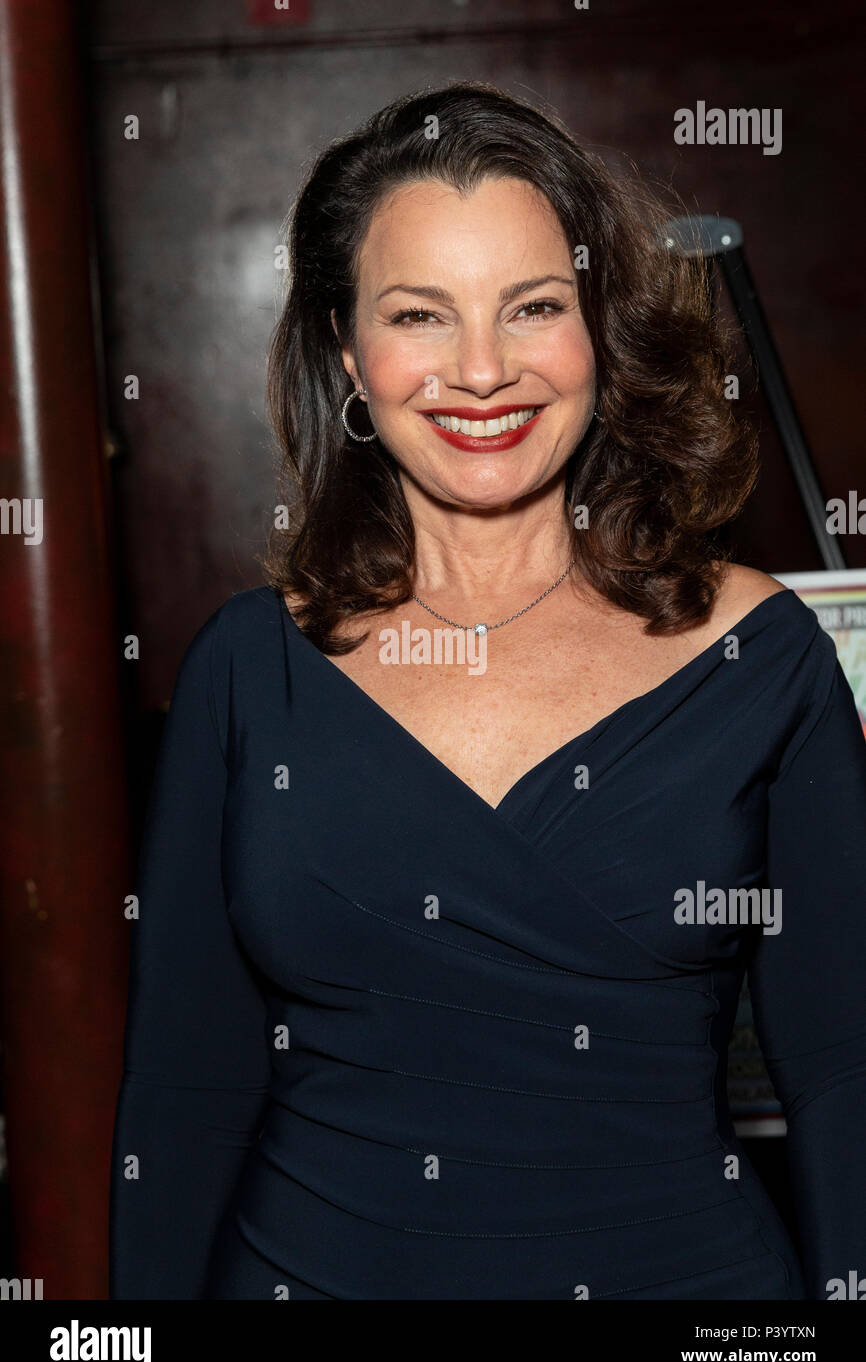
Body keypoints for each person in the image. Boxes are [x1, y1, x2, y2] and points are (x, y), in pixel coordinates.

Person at [109, 81, 866, 1300]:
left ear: (598, 330)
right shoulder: (249, 672)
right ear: (347, 352)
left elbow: (844, 1070)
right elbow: (185, 1092)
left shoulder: (757, 656)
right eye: (420, 314)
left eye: (532, 308)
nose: (479, 371)